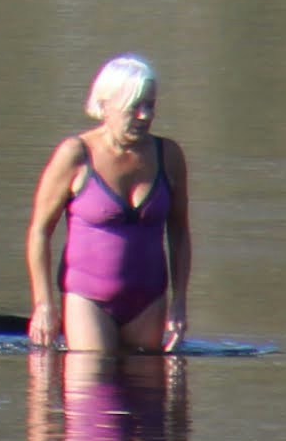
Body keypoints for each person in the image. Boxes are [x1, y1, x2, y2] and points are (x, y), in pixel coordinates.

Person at [24, 54, 190, 363]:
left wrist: (179, 303)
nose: (144, 115)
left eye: (150, 105)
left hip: (149, 301)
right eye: (135, 106)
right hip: (89, 300)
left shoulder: (168, 156)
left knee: (147, 402)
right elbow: (39, 232)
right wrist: (44, 305)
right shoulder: (75, 154)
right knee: (92, 392)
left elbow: (179, 231)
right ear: (106, 104)